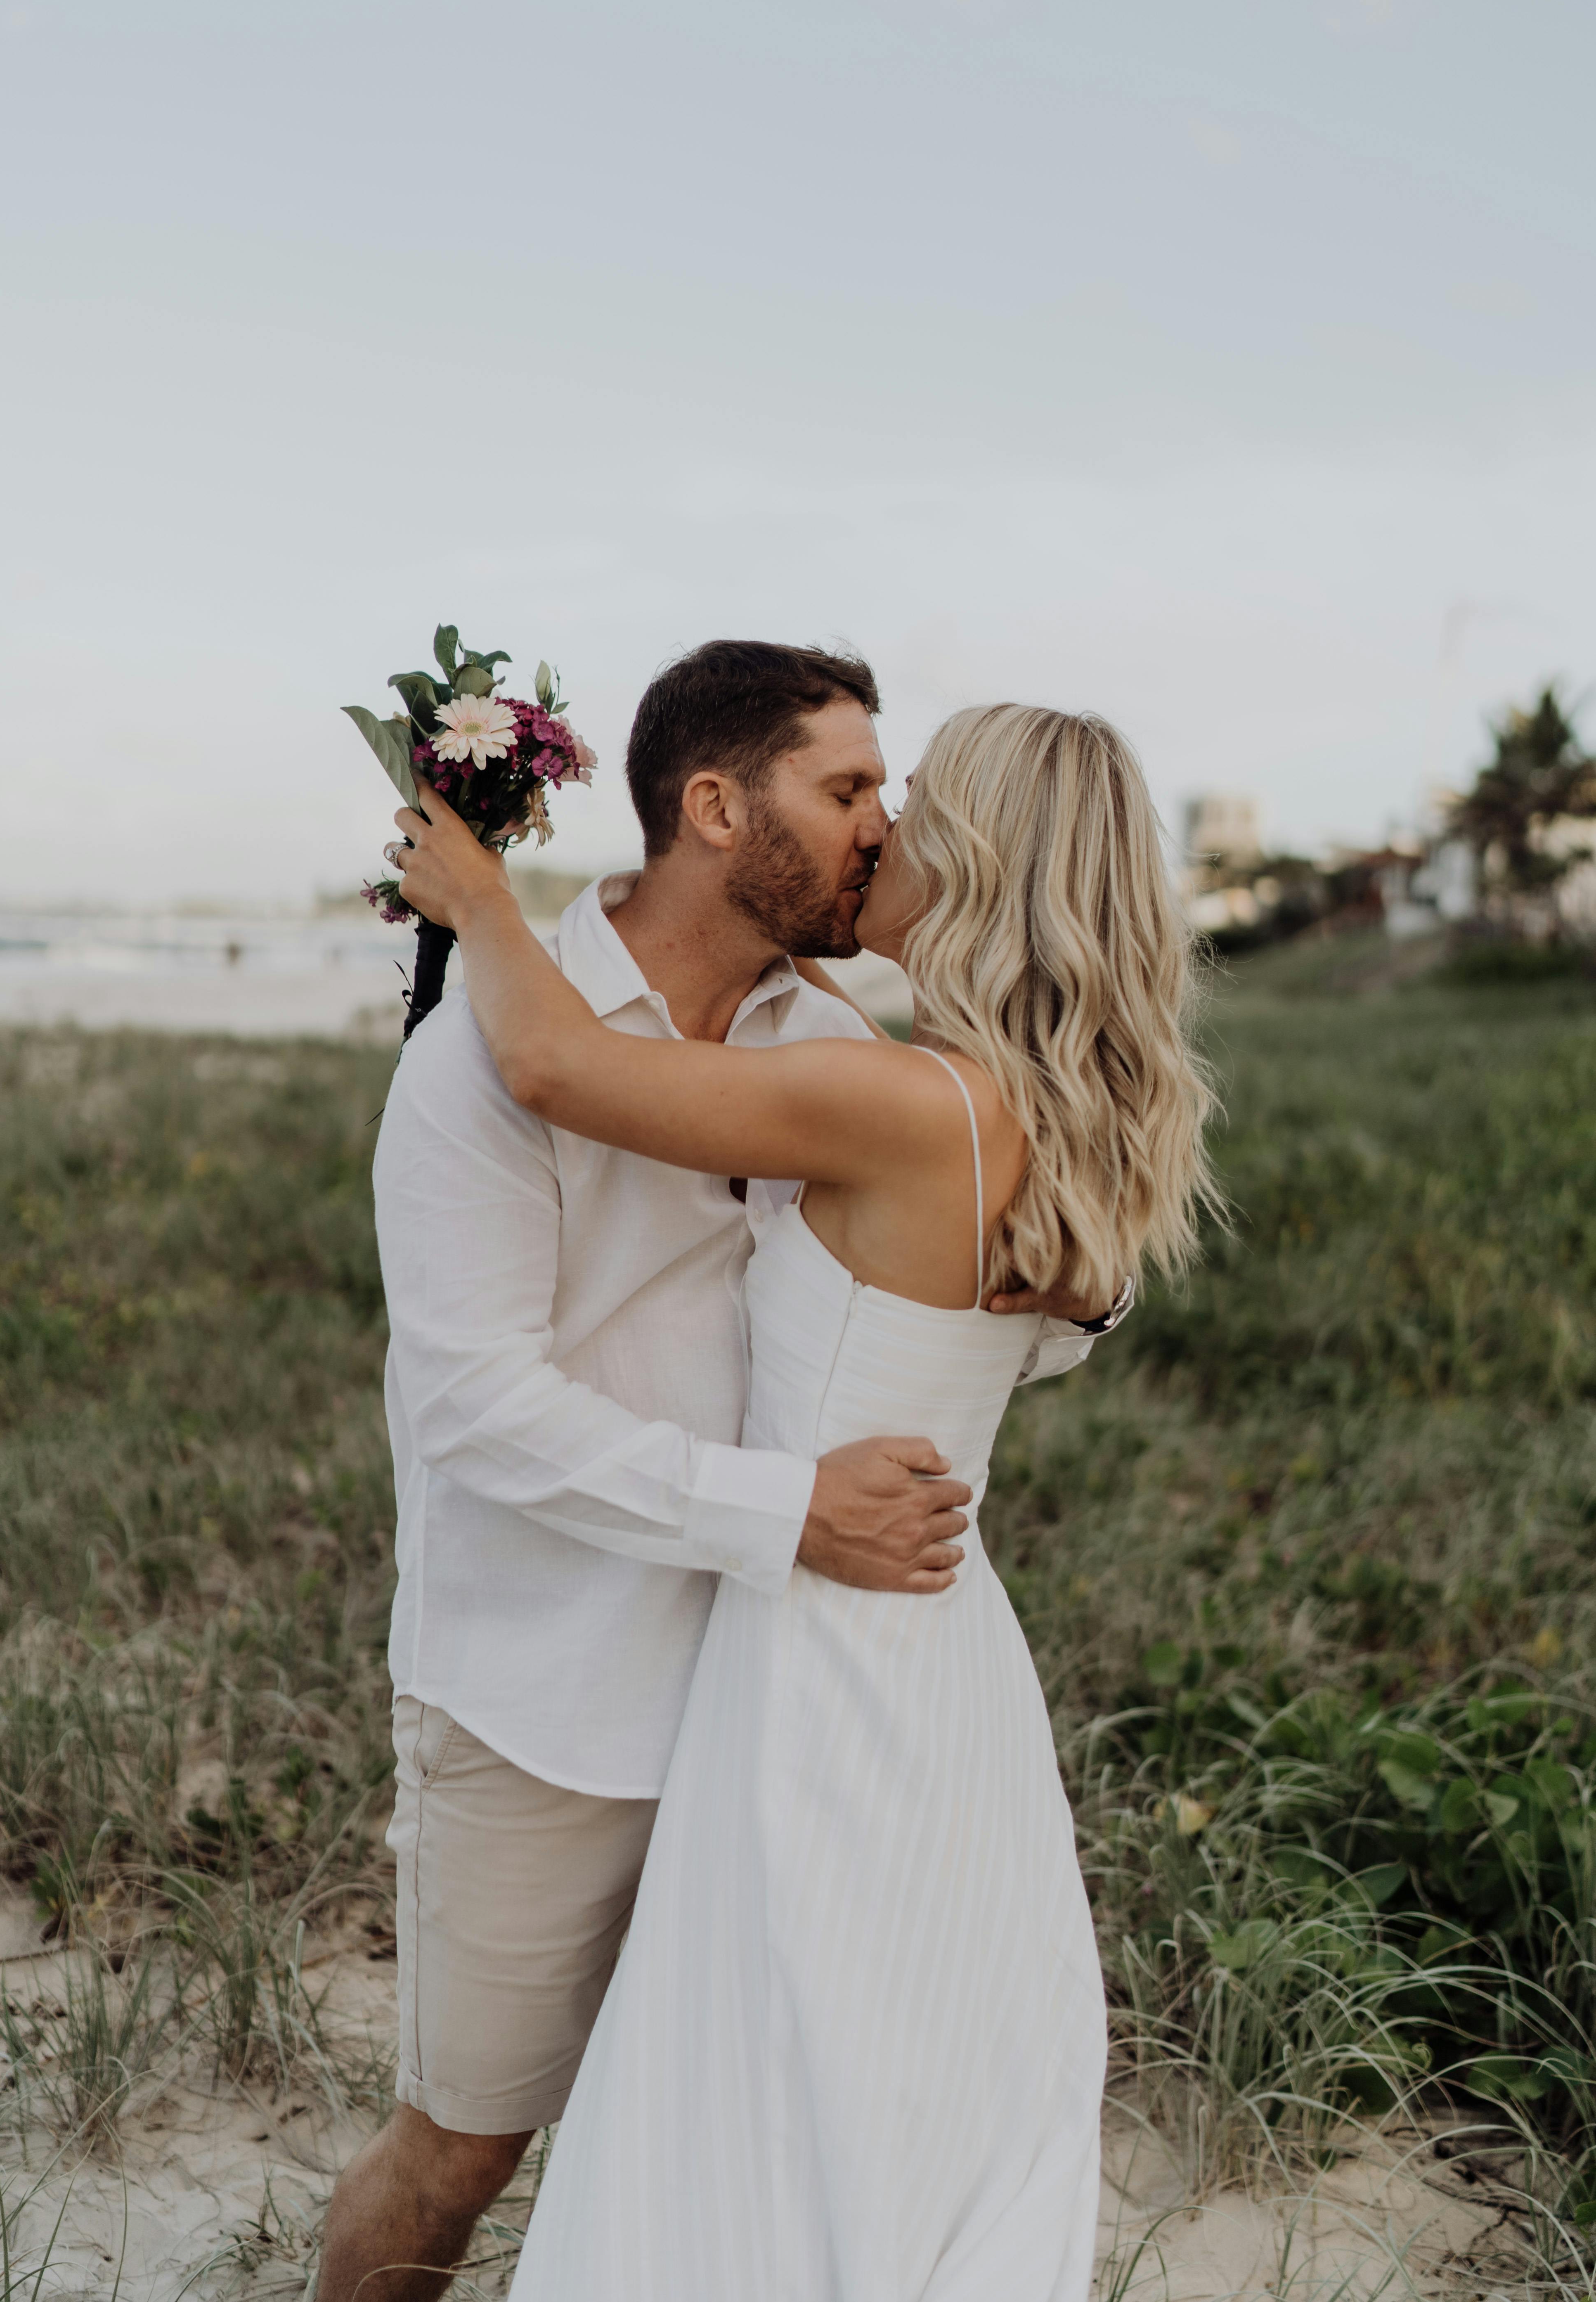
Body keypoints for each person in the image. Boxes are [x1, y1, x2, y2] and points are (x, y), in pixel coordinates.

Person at [390, 696, 1218, 2301]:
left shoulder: (899, 1102)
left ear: (977, 858)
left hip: (823, 1647)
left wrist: (479, 898)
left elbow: (555, 1060)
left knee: (768, 2076)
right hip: (949, 1651)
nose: (877, 826)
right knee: (880, 2064)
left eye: (906, 805)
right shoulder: (1028, 1112)